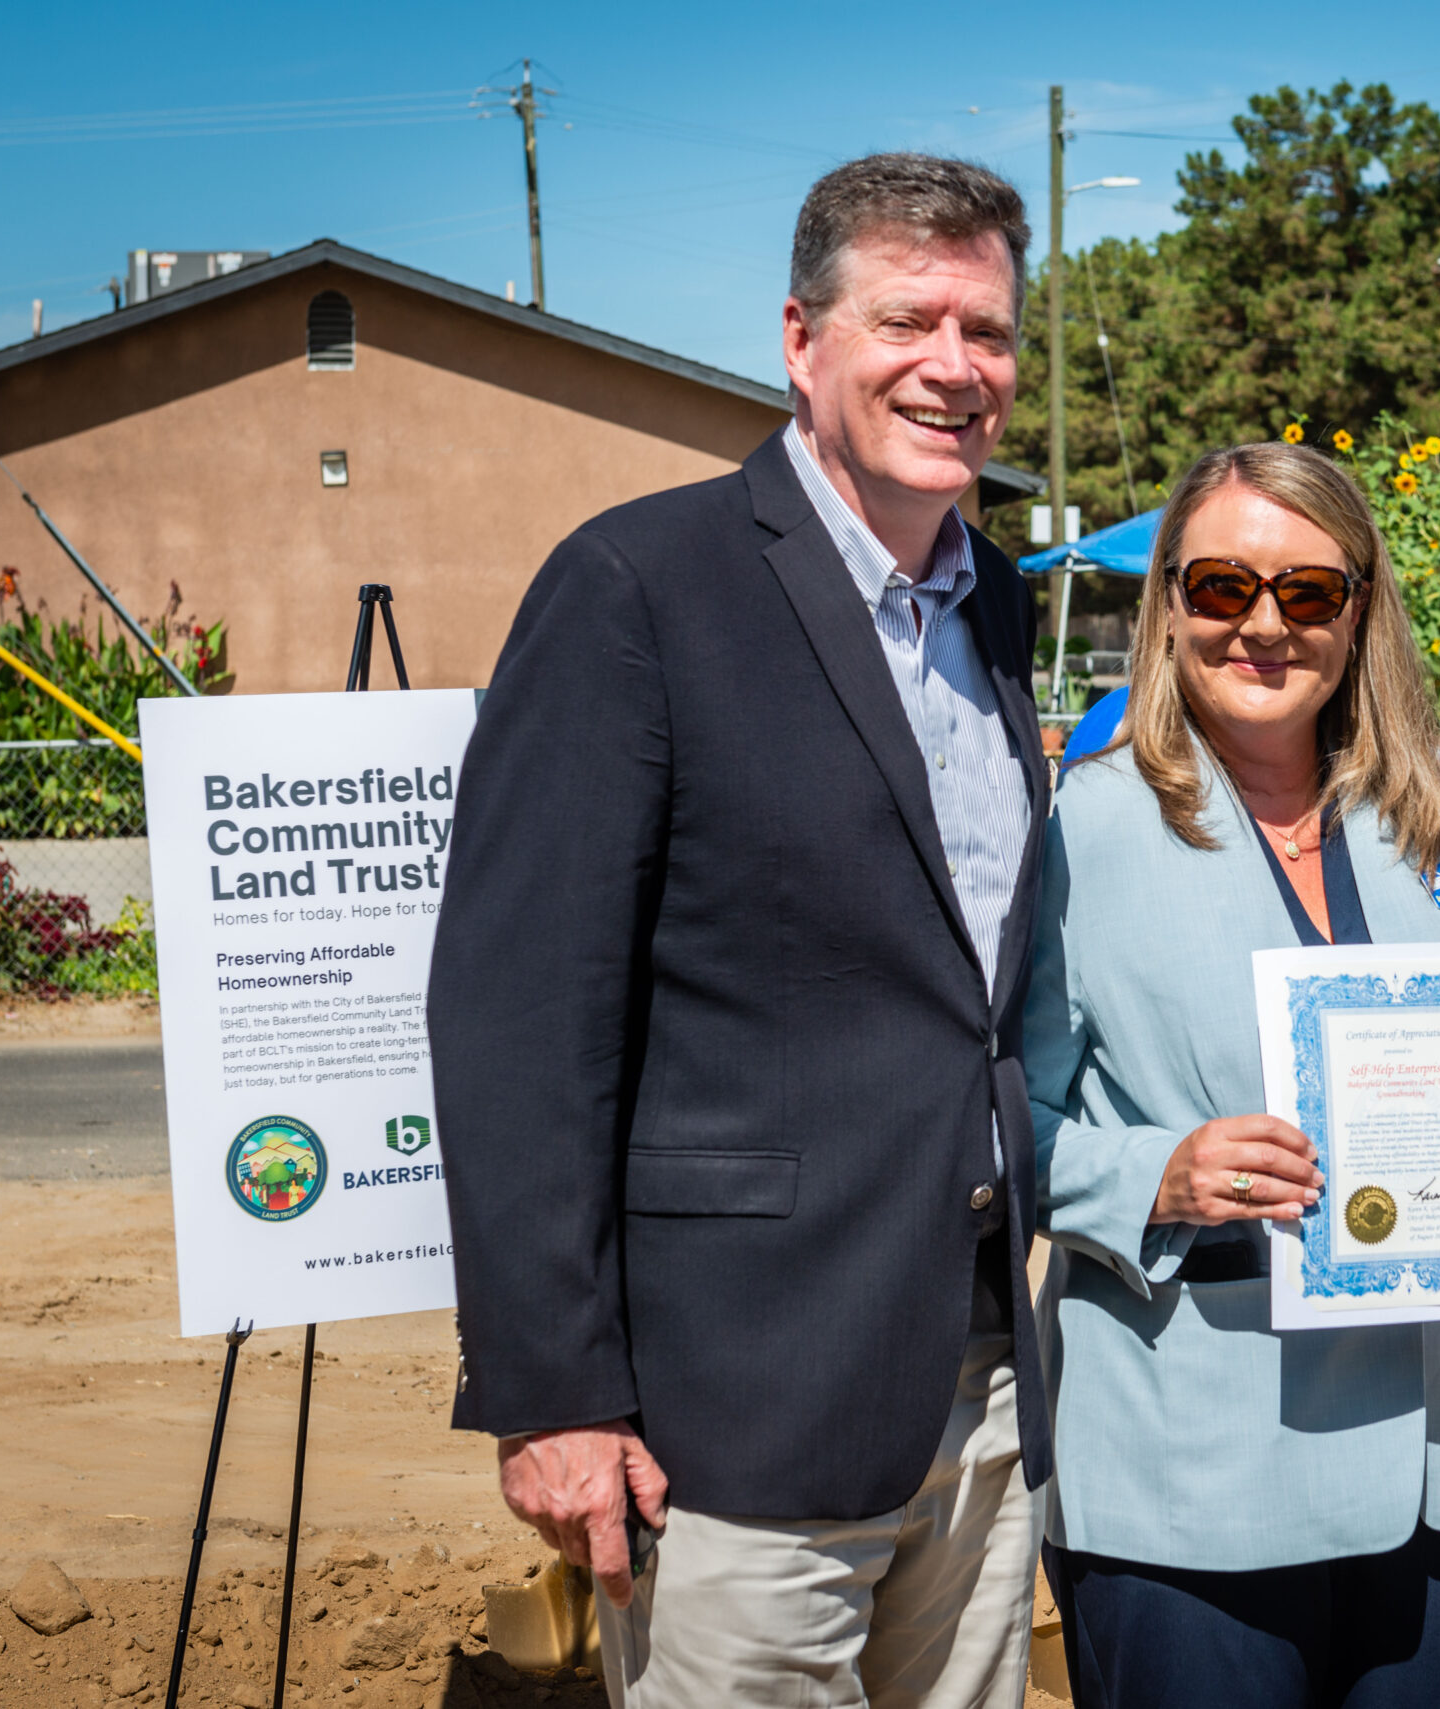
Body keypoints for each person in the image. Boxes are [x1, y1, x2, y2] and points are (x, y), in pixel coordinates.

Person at [430, 154, 1049, 1709]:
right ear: (802, 340)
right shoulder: (638, 586)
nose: (955, 369)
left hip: (982, 1387)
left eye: (987, 332)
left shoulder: (995, 613)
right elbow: (517, 1022)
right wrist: (552, 1396)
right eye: (910, 320)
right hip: (739, 1408)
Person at [1023, 442, 1440, 1708]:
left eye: (1308, 593)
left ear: (1360, 611)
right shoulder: (1083, 827)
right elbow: (993, 1126)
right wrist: (1156, 1171)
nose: (1262, 625)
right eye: (1220, 586)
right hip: (1191, 1466)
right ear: (1168, 607)